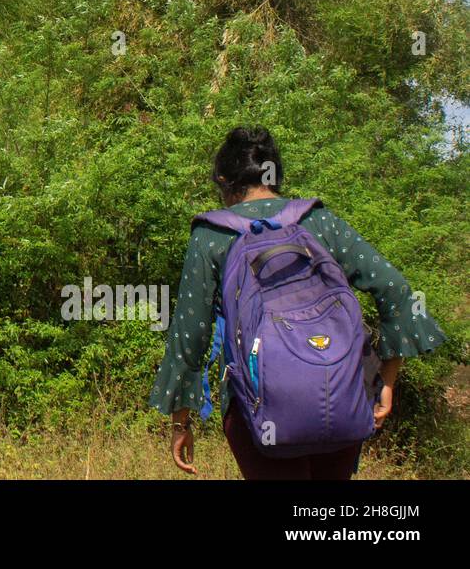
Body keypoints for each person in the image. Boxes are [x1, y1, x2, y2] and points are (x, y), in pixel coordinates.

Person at [150, 126, 446, 479]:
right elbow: (396, 289)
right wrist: (386, 379)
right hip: (341, 398)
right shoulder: (317, 220)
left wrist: (181, 424)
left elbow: (190, 335)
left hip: (256, 410)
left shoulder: (212, 235)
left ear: (224, 180)